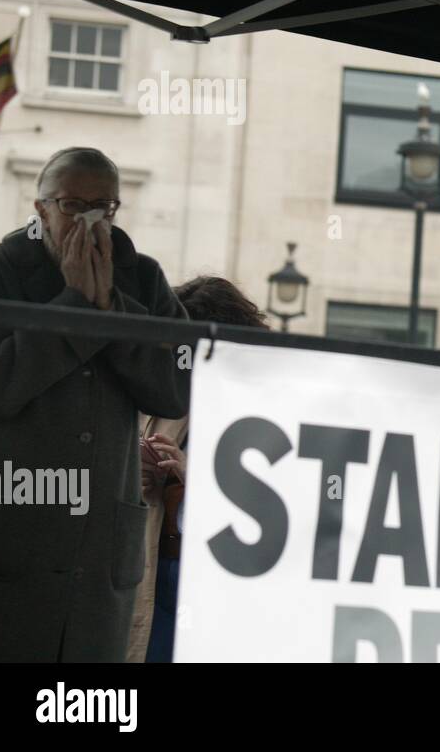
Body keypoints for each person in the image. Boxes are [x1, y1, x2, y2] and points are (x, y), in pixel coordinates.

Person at [0, 146, 190, 661]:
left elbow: (172, 390)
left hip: (102, 548)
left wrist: (113, 309)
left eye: (105, 206)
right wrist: (76, 309)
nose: (90, 220)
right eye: (73, 205)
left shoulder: (143, 278)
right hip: (12, 528)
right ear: (41, 208)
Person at [128, 275, 269, 663]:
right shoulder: (164, 400)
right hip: (156, 580)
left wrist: (199, 480)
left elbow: (271, 517)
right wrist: (139, 469)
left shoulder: (257, 411)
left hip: (216, 591)